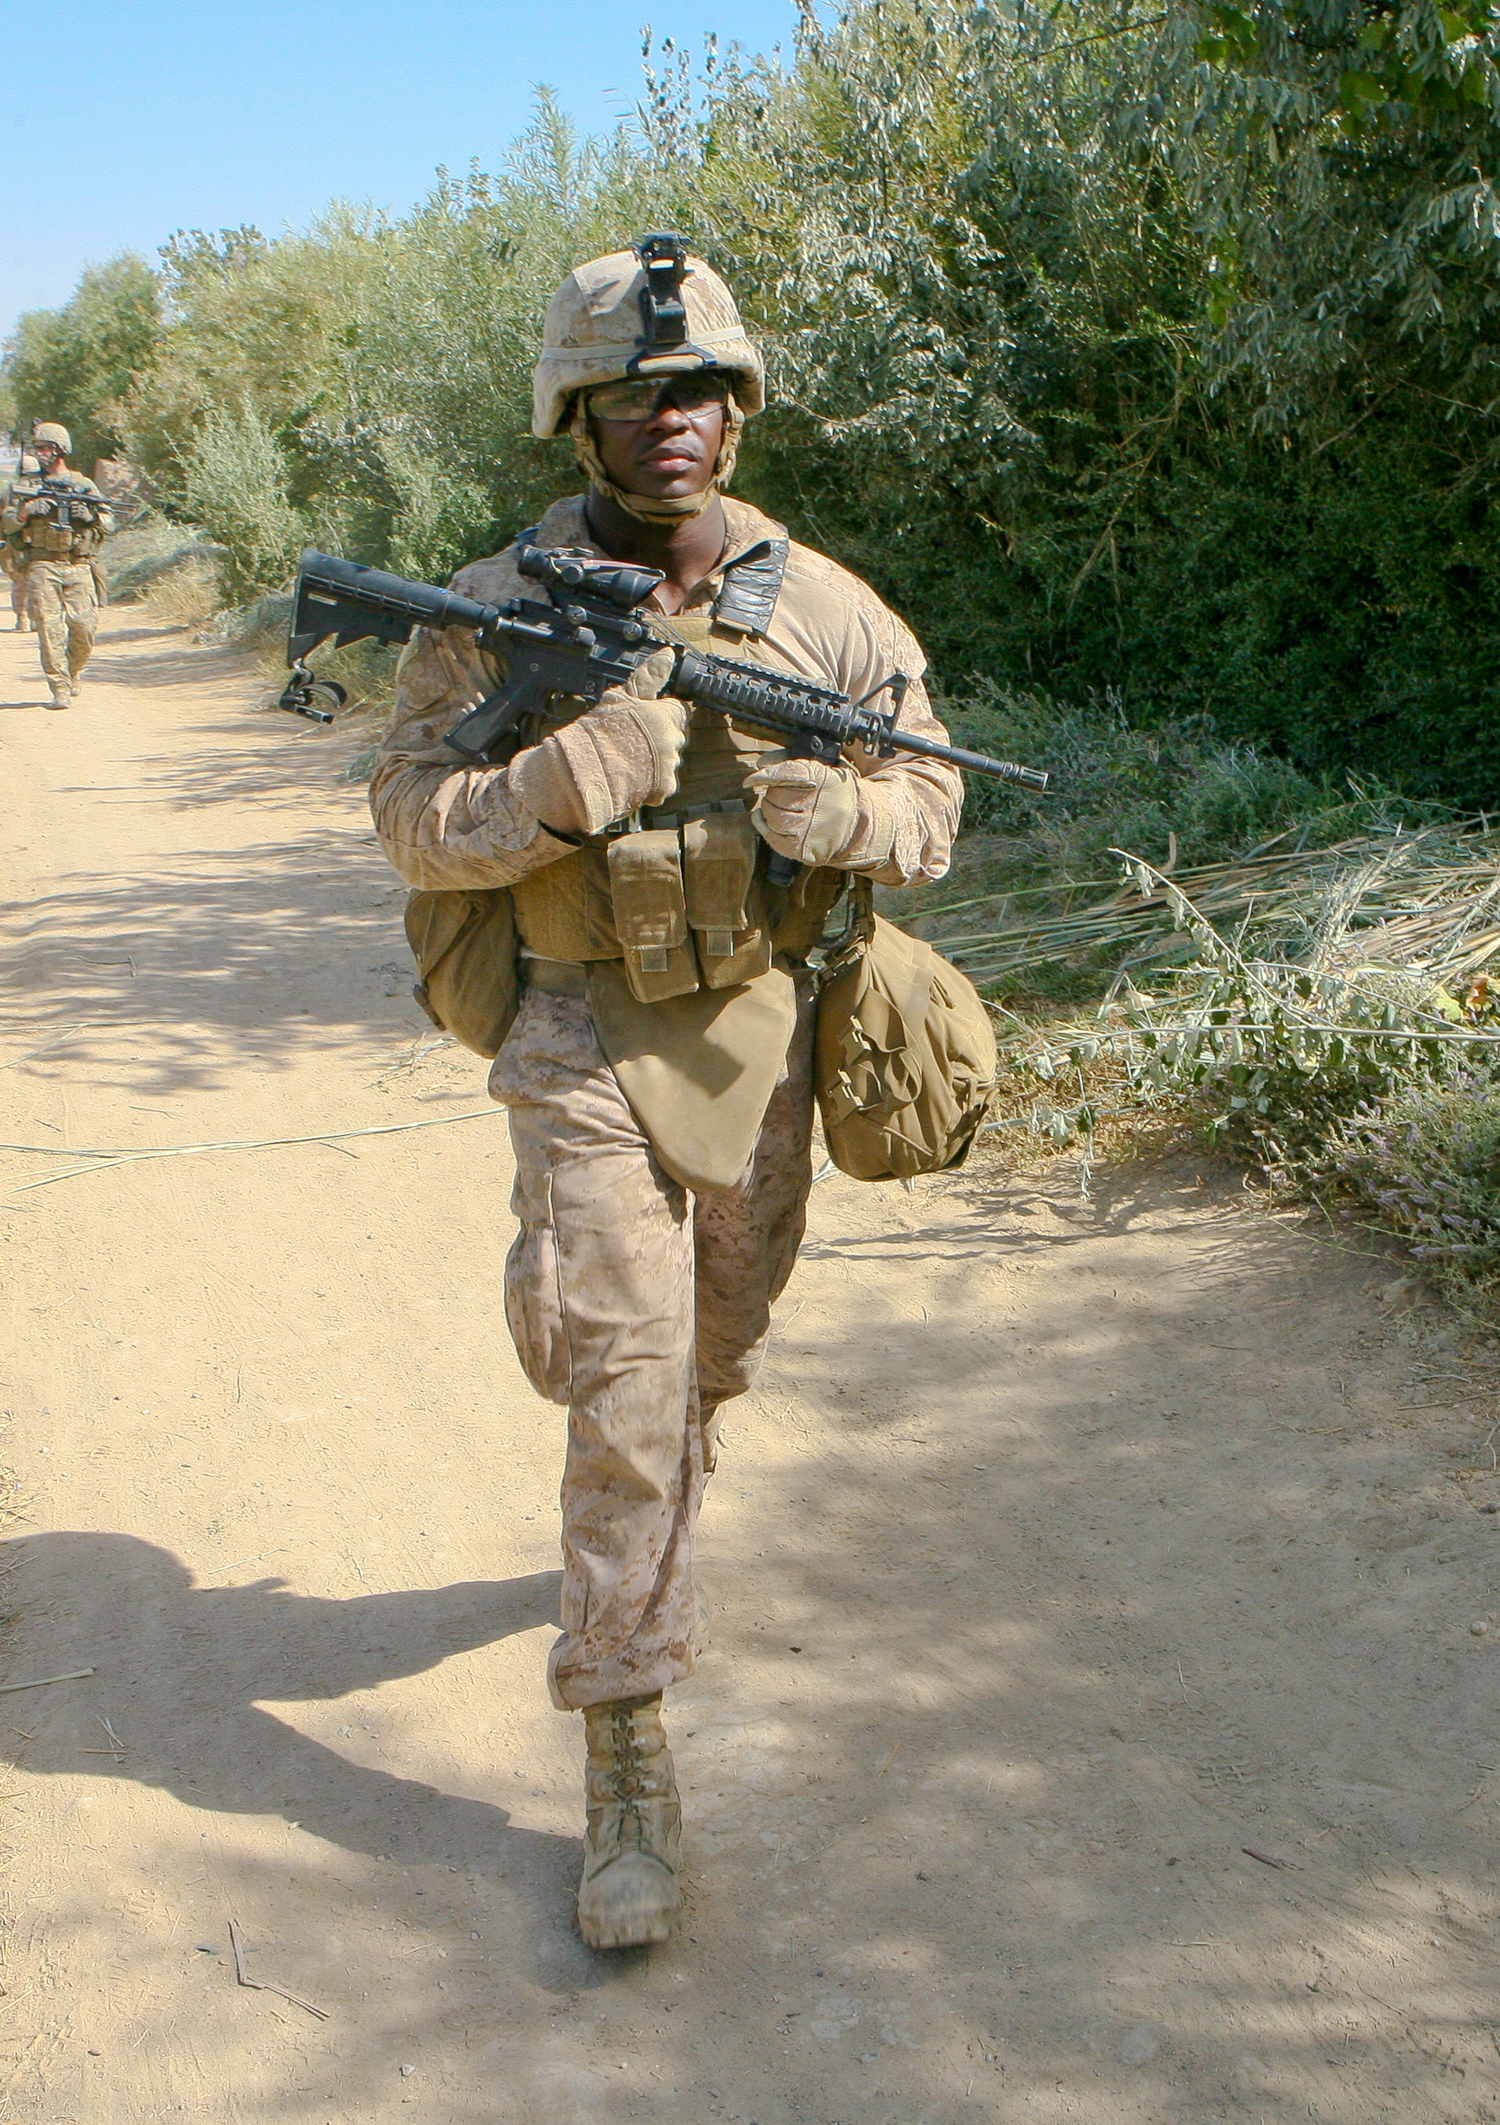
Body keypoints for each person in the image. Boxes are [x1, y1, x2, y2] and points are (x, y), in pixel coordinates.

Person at [368, 241, 963, 1950]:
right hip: (574, 1025)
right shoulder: (495, 605)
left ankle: (645, 1437)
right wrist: (562, 777)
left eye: (698, 389)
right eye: (632, 396)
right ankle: (626, 1744)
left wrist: (854, 820)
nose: (671, 421)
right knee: (623, 1374)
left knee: (713, 1349)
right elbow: (408, 822)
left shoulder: (827, 611)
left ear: (739, 409)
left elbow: (931, 809)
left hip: (758, 1034)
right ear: (579, 419)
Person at [0, 422, 113, 708]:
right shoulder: (27, 486)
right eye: (37, 448)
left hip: (79, 564)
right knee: (50, 630)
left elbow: (109, 522)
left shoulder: (83, 484)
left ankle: (73, 672)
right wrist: (26, 511)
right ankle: (59, 688)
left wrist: (89, 516)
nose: (39, 453)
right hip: (42, 564)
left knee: (84, 627)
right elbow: (5, 523)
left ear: (60, 449)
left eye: (44, 448)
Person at [0, 452, 36, 629]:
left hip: (15, 543)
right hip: (38, 543)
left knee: (20, 582)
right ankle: (36, 619)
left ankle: (22, 618)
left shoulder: (8, 492)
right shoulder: (43, 489)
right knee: (38, 582)